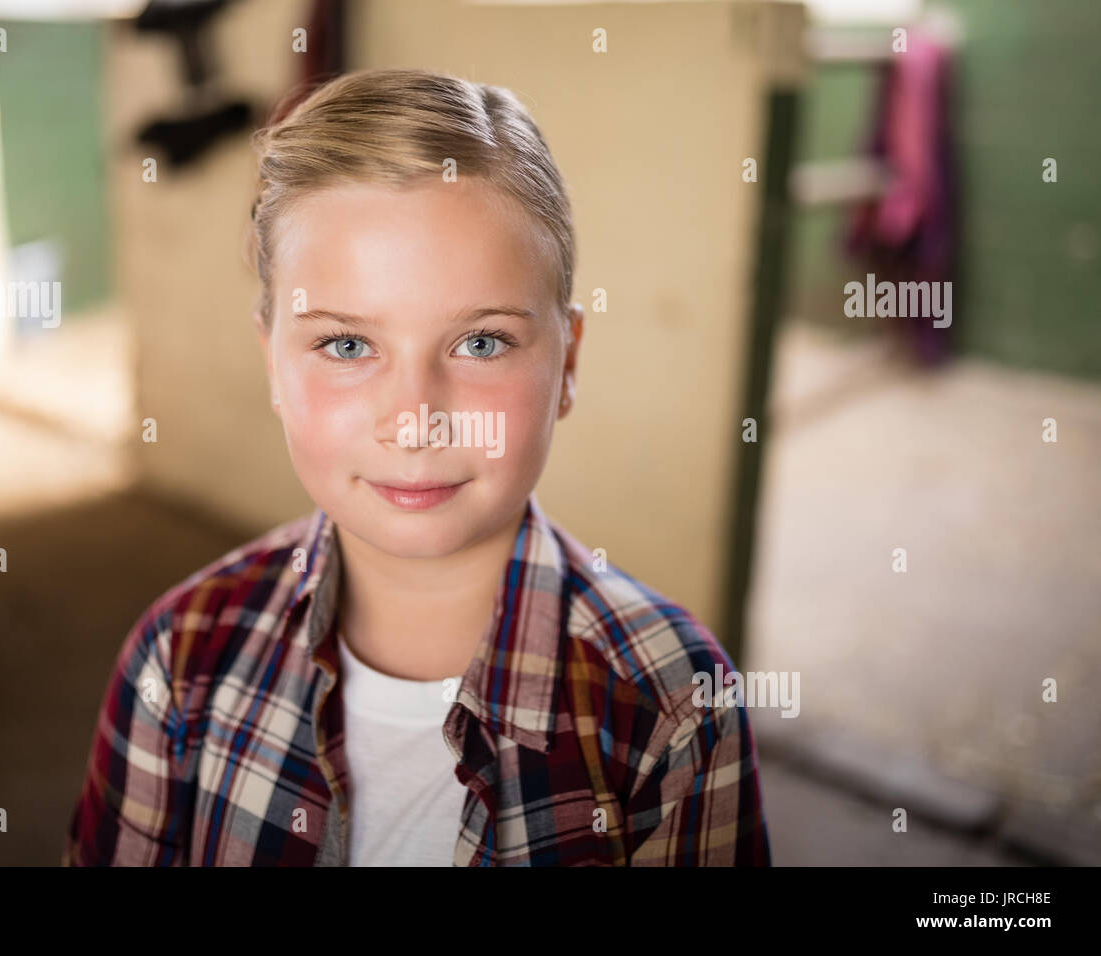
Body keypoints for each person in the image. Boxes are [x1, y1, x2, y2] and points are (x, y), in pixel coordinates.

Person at [63, 67, 771, 866]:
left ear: (568, 363)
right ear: (273, 365)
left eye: (480, 343)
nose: (415, 419)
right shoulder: (180, 658)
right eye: (347, 345)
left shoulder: (675, 704)